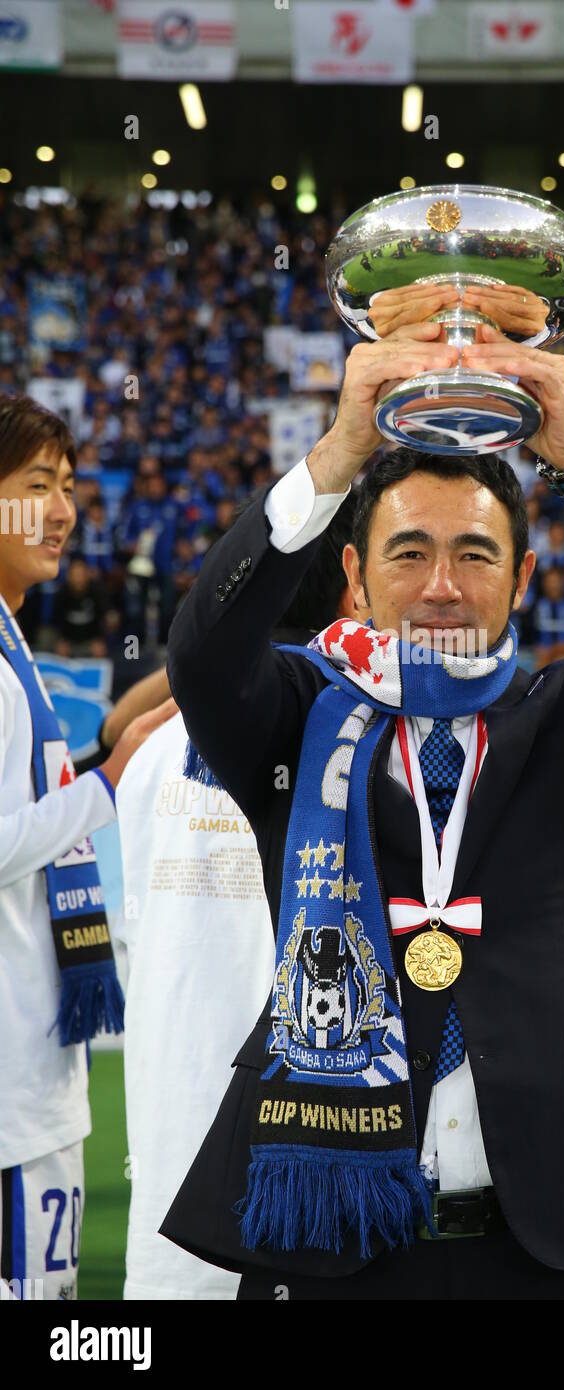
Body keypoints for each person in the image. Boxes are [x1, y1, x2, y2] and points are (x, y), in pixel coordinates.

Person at [160, 319, 564, 1301]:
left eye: (473, 555)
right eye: (407, 553)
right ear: (352, 575)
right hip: (330, 1230)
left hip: (547, 1237)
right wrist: (339, 453)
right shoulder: (294, 720)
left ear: (519, 580)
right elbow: (202, 652)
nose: (439, 586)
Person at [116, 490, 365, 1301]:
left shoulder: (155, 753)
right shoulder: (360, 744)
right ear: (351, 589)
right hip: (309, 1157)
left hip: (170, 1151)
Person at [0, 394, 176, 1301]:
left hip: (32, 1078)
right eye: (37, 486)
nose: (64, 509)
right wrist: (110, 782)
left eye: (68, 486)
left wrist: (100, 754)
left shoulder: (11, 633)